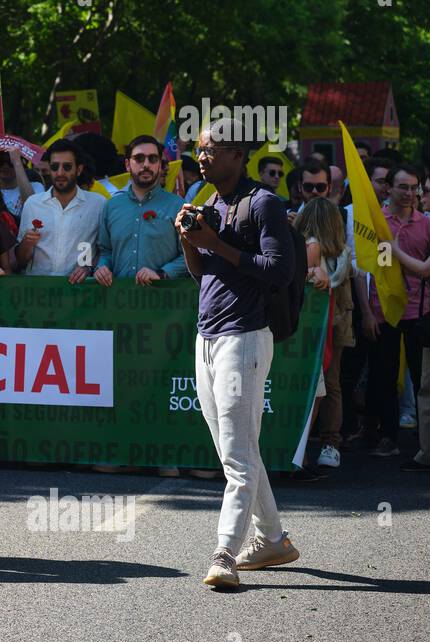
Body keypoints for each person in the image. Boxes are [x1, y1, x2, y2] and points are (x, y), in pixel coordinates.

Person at [174, 119, 299, 588]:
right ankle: (273, 540)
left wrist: (216, 244)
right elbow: (201, 272)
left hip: (244, 337)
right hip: (206, 337)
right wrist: (190, 242)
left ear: (237, 154)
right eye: (199, 150)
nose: (201, 157)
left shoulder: (263, 202)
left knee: (237, 458)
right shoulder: (209, 203)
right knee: (238, 450)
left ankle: (224, 553)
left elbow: (280, 271)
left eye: (210, 149)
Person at [356, 164, 430, 458]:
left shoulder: (428, 225)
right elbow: (364, 270)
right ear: (388, 188)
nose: (409, 193)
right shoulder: (375, 223)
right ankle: (387, 436)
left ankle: (425, 441)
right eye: (403, 186)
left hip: (419, 312)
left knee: (422, 378)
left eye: (414, 187)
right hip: (383, 310)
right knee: (383, 377)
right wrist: (367, 312)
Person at [294, 198, 353, 472]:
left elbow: (336, 279)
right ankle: (307, 449)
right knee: (322, 387)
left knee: (327, 385)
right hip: (310, 330)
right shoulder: (303, 251)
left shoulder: (340, 255)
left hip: (330, 327)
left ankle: (327, 443)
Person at [93, 135, 186, 286]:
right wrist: (102, 267)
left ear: (159, 165)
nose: (146, 164)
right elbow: (105, 251)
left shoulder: (178, 206)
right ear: (127, 164)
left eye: (153, 159)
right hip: (119, 297)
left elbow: (190, 255)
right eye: (139, 158)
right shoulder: (111, 206)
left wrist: (162, 273)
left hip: (163, 297)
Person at [16, 138, 104, 282]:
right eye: (55, 167)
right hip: (37, 289)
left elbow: (103, 250)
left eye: (67, 167)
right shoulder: (32, 204)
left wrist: (87, 267)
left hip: (78, 289)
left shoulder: (98, 204)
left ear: (79, 169)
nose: (60, 173)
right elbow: (20, 260)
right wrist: (26, 243)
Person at [0, 145, 38, 216]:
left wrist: (16, 161)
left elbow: (32, 208)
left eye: (10, 162)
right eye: (0, 161)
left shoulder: (36, 186)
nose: (5, 166)